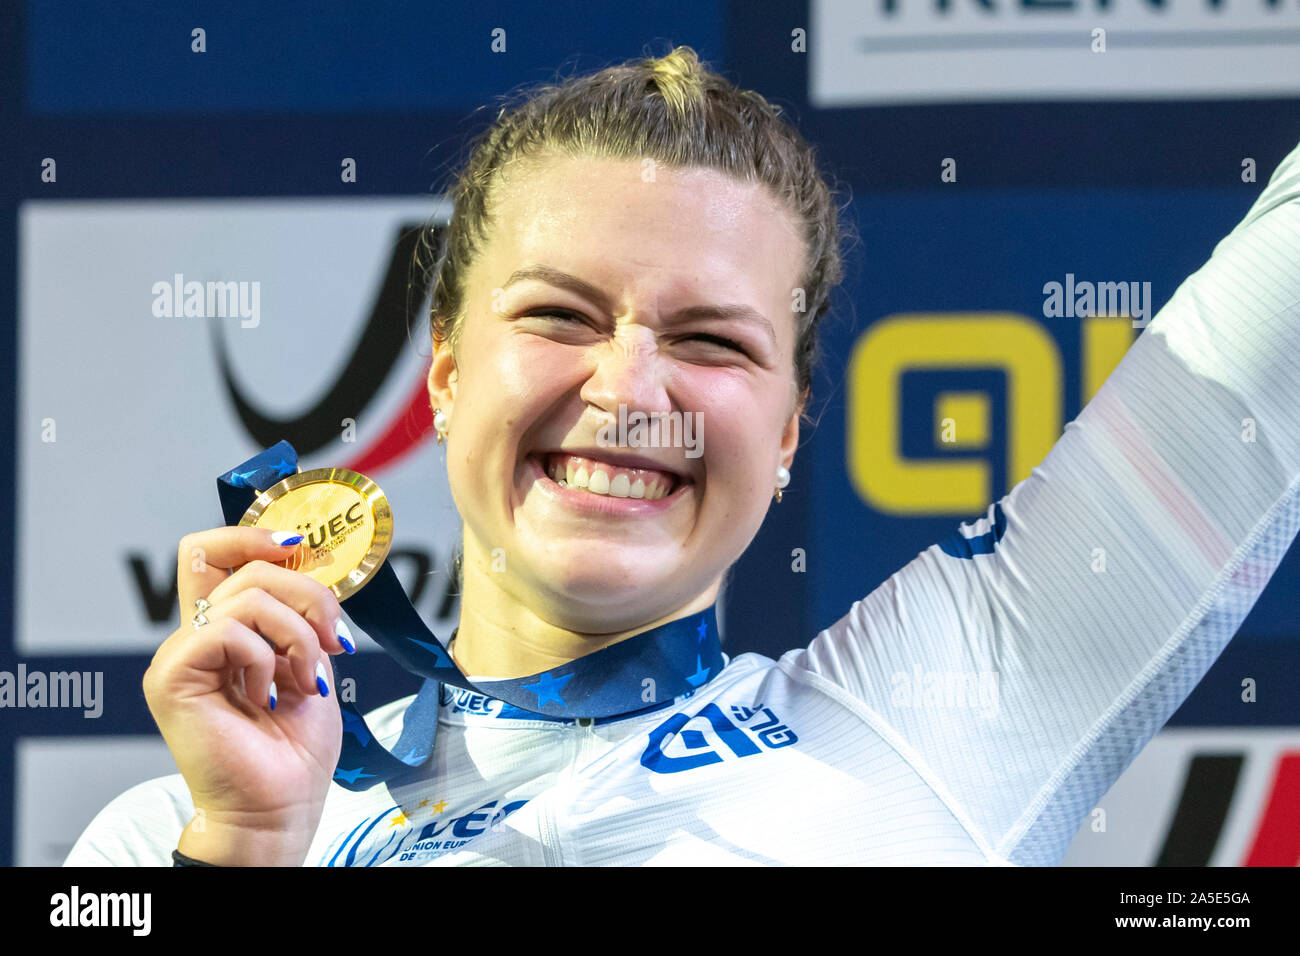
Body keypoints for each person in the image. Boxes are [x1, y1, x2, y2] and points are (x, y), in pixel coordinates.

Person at [66, 46, 1300, 867]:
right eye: (558, 314)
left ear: (787, 428)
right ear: (445, 373)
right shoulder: (174, 824)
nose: (627, 387)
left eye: (709, 339)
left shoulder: (944, 711)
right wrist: (246, 845)